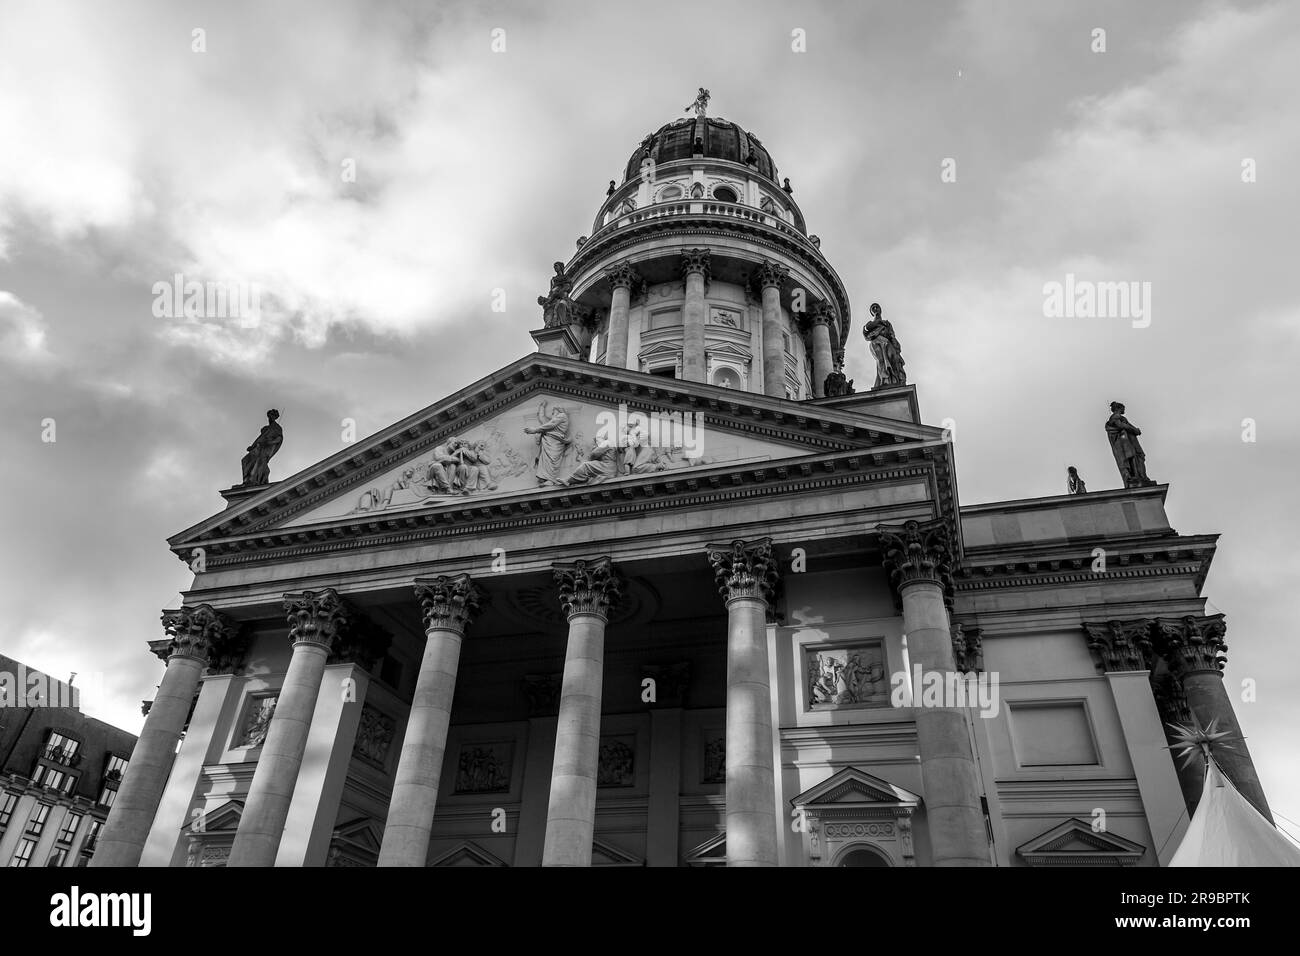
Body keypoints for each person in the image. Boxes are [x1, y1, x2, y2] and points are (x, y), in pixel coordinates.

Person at [525, 400, 572, 485]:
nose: (552, 415)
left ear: (558, 411)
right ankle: (545, 478)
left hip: (556, 442)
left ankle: (550, 479)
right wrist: (542, 407)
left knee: (552, 460)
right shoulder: (552, 422)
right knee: (546, 460)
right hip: (548, 442)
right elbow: (543, 419)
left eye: (553, 413)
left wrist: (535, 430)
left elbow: (552, 424)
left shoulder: (562, 416)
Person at [240, 409, 282, 485]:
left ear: (275, 417)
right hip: (258, 447)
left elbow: (279, 438)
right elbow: (260, 438)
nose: (270, 418)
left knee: (259, 461)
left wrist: (270, 442)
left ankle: (252, 479)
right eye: (269, 416)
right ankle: (247, 479)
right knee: (245, 460)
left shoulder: (277, 427)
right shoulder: (266, 428)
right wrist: (252, 447)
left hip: (266, 448)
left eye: (272, 416)